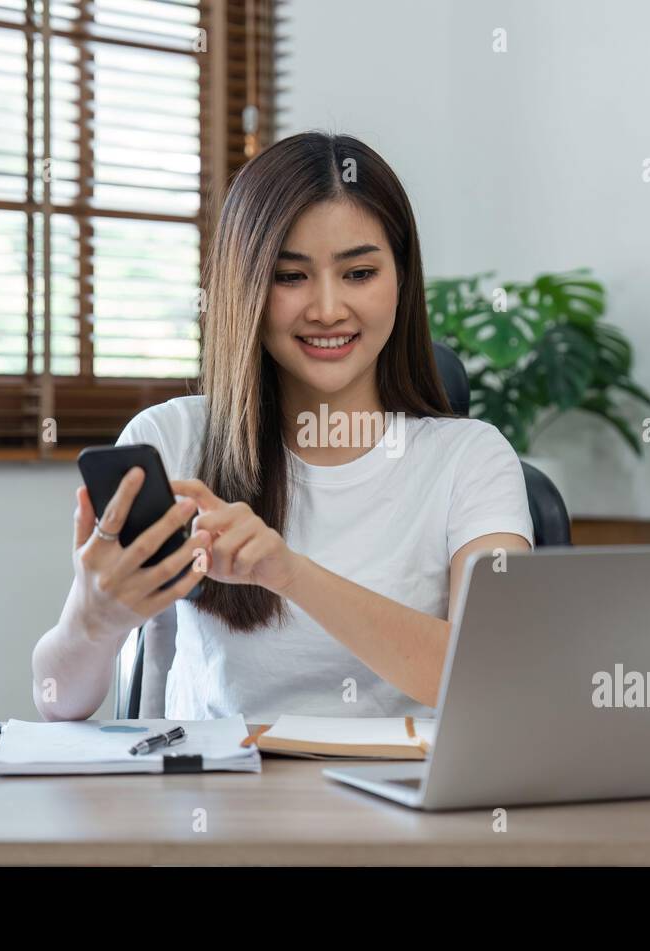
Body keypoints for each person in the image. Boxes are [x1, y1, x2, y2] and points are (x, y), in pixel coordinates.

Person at [32, 131, 533, 723]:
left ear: (401, 278)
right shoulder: (172, 440)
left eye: (359, 273)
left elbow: (493, 675)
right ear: (246, 287)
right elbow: (57, 704)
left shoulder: (471, 459)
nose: (326, 309)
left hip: (403, 805)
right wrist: (92, 619)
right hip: (220, 805)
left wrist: (288, 573)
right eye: (290, 277)